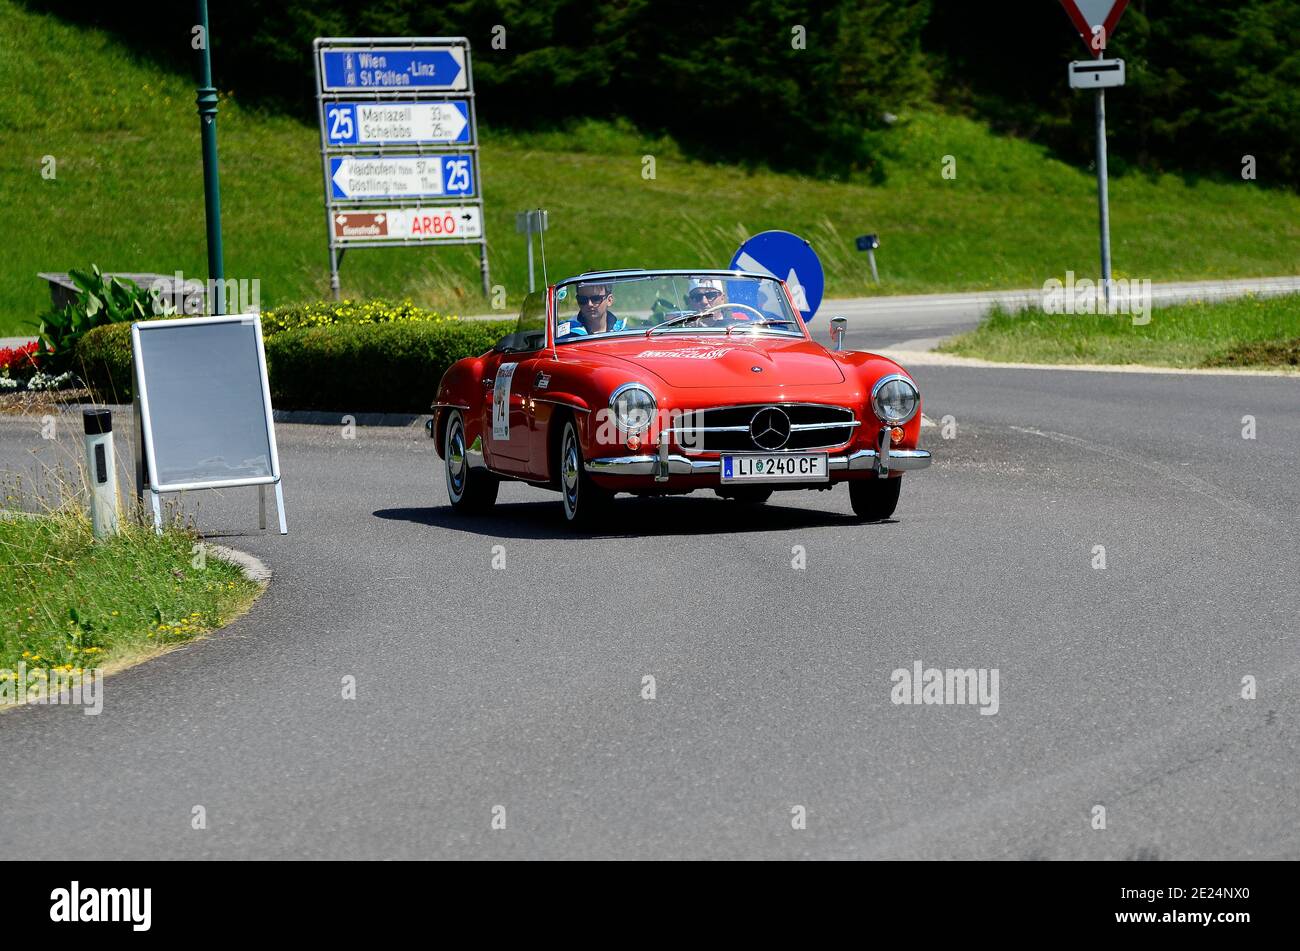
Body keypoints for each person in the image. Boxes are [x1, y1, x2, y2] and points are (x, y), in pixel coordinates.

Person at [557, 282, 626, 340]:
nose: (589, 304)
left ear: (609, 300)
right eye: (583, 299)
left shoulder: (623, 332)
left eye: (596, 299)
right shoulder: (565, 334)